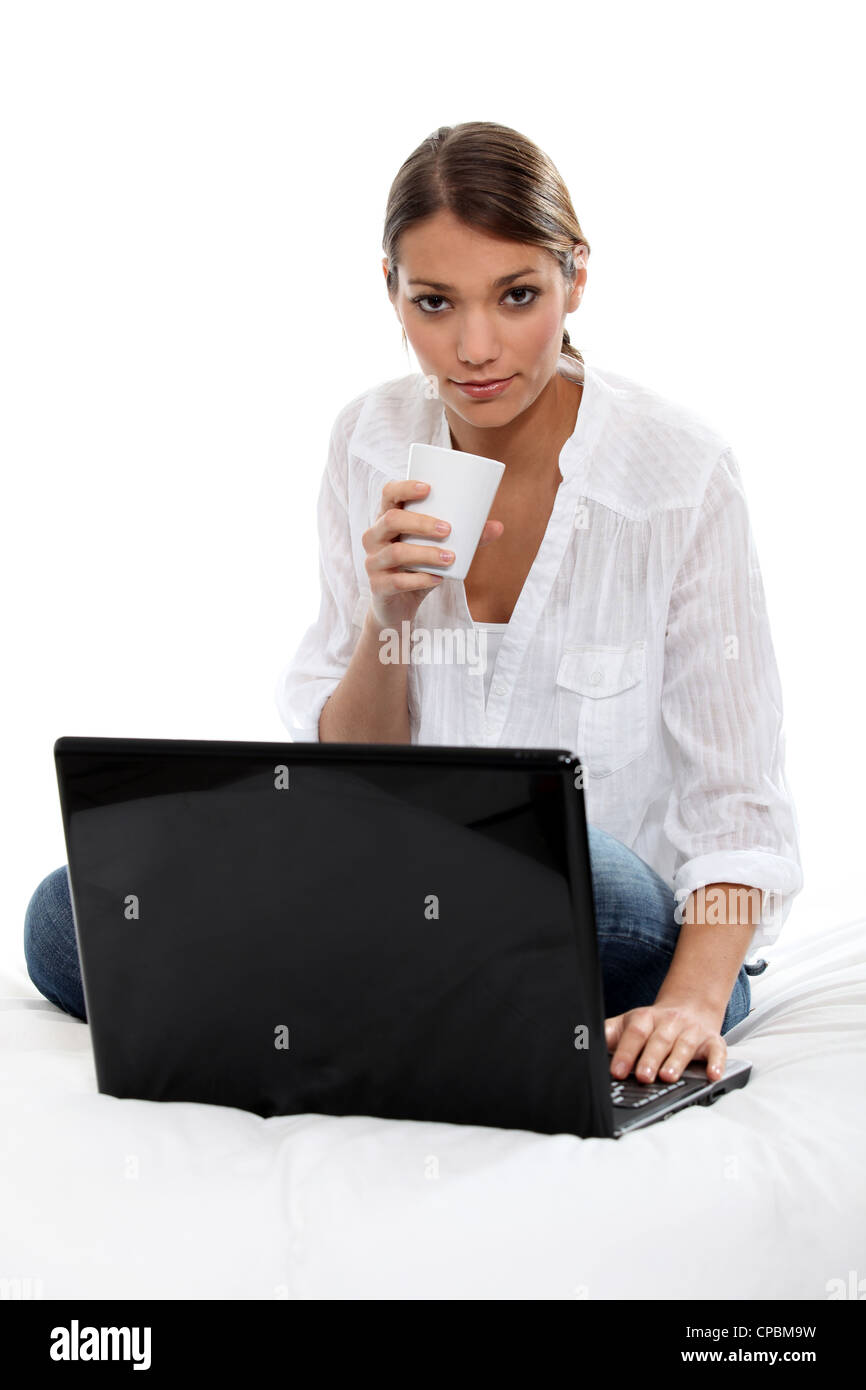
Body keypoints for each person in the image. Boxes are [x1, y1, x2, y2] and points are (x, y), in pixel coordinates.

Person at [25, 120, 802, 1093]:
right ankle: (405, 999)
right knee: (68, 916)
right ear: (389, 292)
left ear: (575, 277)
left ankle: (336, 996)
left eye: (517, 296)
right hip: (404, 895)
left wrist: (689, 1001)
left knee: (545, 854)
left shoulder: (678, 474)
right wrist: (388, 619)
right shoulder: (370, 438)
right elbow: (351, 777)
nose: (475, 348)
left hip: (622, 926)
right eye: (434, 302)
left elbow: (739, 811)